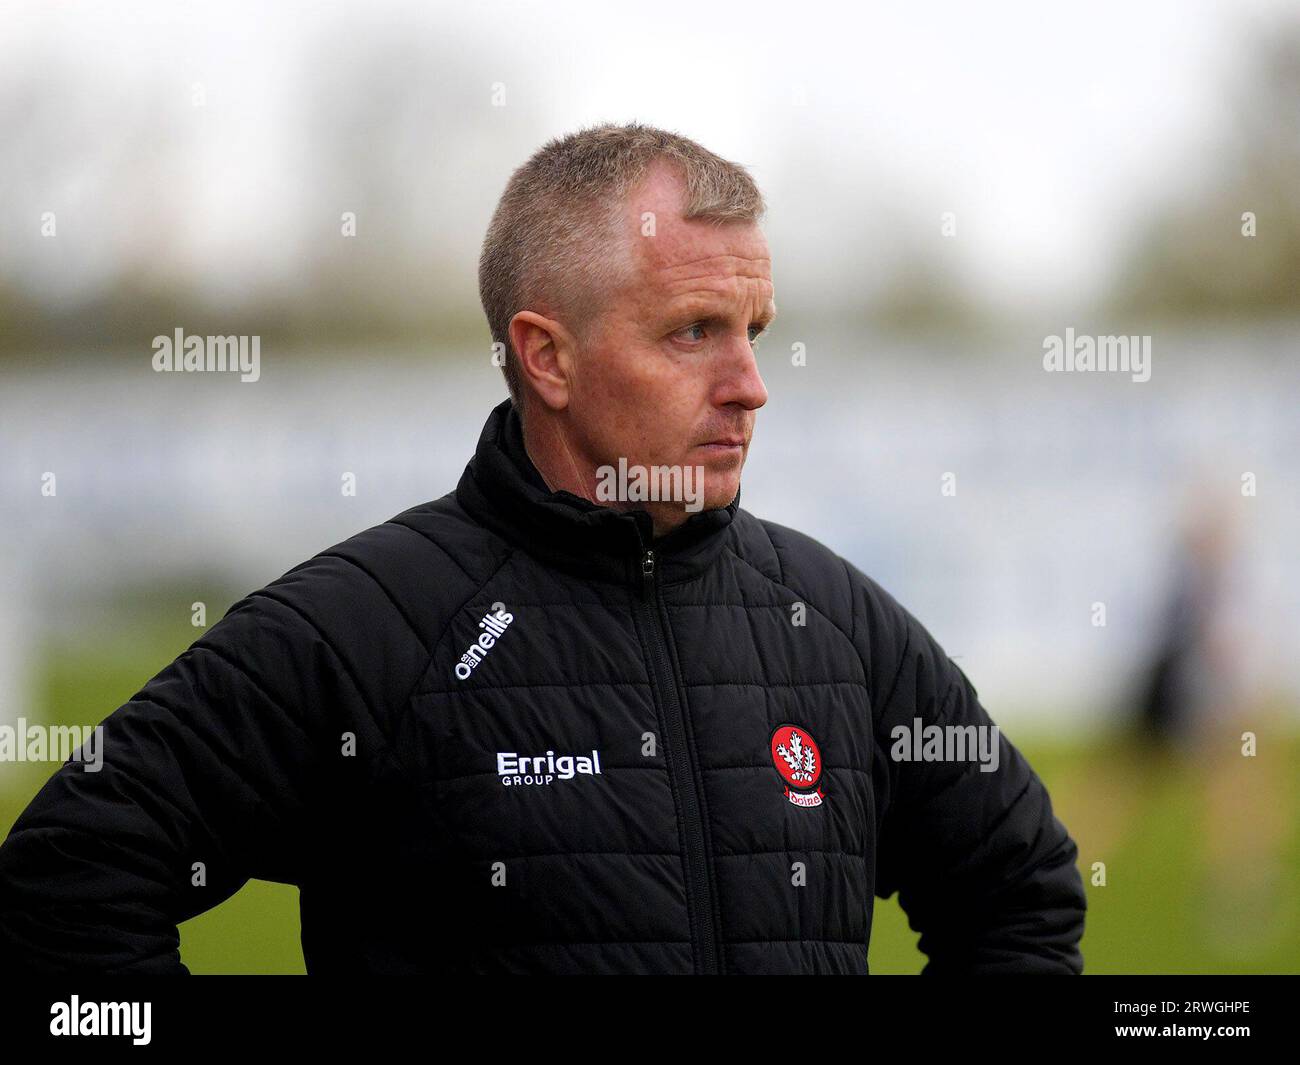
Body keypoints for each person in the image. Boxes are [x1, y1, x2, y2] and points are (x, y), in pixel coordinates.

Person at [0, 122, 1085, 974]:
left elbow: (1021, 891)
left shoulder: (836, 623)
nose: (748, 385)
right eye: (692, 332)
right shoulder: (369, 624)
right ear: (547, 359)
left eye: (753, 332)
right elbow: (66, 887)